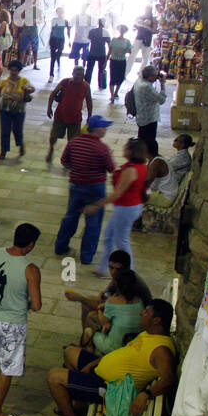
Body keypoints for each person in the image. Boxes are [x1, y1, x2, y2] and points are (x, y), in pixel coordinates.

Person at [47, 298, 177, 416]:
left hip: (109, 387)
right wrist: (94, 363)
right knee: (70, 352)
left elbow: (169, 378)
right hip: (98, 370)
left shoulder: (162, 350)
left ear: (156, 320)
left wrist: (146, 394)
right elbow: (122, 353)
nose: (141, 313)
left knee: (54, 377)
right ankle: (79, 405)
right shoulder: (148, 334)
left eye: (146, 312)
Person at [0, 223, 42, 416]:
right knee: (8, 366)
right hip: (13, 324)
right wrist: (21, 302)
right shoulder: (30, 269)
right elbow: (37, 304)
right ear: (30, 245)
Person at [53, 115, 116, 264]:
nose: (106, 129)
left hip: (76, 186)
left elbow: (64, 161)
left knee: (70, 217)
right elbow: (111, 168)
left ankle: (60, 246)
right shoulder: (102, 148)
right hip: (96, 189)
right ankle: (87, 257)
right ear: (96, 129)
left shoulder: (74, 142)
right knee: (93, 224)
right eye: (104, 127)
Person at [89, 138, 149, 277]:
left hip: (126, 208)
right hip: (129, 206)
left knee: (121, 241)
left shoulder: (131, 170)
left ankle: (130, 273)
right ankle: (103, 268)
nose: (124, 149)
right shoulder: (140, 166)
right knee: (109, 236)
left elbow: (117, 194)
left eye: (126, 147)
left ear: (131, 151)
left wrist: (97, 205)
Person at [62, 267, 145, 367]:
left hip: (114, 346)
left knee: (89, 331)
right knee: (93, 321)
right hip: (131, 343)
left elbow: (103, 321)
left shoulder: (114, 301)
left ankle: (85, 359)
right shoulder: (140, 301)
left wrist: (99, 309)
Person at [63, 249, 154, 334]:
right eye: (111, 268)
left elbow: (108, 307)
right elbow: (107, 295)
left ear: (126, 268)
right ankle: (85, 337)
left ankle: (88, 341)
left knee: (91, 315)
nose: (113, 272)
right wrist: (103, 295)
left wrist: (81, 298)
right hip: (123, 312)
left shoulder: (129, 283)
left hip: (130, 321)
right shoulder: (119, 277)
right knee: (89, 302)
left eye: (117, 269)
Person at [45, 65, 93, 164]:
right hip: (60, 115)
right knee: (54, 135)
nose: (79, 77)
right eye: (77, 74)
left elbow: (89, 101)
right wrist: (49, 108)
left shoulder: (86, 86)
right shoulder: (65, 82)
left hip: (76, 117)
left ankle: (70, 157)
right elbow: (53, 94)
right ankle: (51, 149)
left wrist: (89, 115)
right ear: (73, 74)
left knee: (73, 140)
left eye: (81, 75)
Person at [0, 59, 34, 160]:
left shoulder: (24, 81)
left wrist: (28, 90)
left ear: (19, 71)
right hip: (4, 109)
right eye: (11, 70)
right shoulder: (4, 81)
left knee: (17, 130)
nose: (13, 72)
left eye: (15, 70)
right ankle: (3, 151)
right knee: (5, 130)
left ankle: (20, 145)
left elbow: (32, 89)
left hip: (19, 110)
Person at [130, 66, 168, 156]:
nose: (157, 77)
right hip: (149, 118)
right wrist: (162, 84)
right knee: (150, 141)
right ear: (149, 76)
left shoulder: (139, 81)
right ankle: (151, 157)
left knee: (142, 139)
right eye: (155, 75)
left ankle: (140, 155)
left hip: (141, 115)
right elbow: (162, 100)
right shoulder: (146, 87)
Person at [107, 24, 131, 103]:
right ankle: (112, 95)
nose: (122, 31)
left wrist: (125, 51)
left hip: (122, 61)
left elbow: (130, 51)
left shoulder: (127, 41)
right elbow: (109, 51)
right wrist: (106, 60)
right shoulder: (114, 40)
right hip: (114, 60)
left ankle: (116, 92)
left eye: (123, 30)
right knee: (112, 77)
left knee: (120, 78)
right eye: (121, 30)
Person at [131, 5, 157, 74]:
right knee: (132, 55)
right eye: (146, 9)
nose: (147, 11)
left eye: (149, 9)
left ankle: (141, 72)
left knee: (145, 58)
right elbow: (134, 27)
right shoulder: (140, 17)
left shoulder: (153, 19)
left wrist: (146, 27)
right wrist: (136, 26)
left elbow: (154, 31)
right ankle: (126, 71)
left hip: (147, 40)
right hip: (138, 38)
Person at [85, 18, 109, 91]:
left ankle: (86, 83)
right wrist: (108, 57)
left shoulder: (92, 31)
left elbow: (88, 40)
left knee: (89, 70)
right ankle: (101, 84)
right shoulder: (105, 32)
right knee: (101, 70)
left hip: (92, 52)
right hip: (102, 53)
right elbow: (109, 44)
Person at [48, 6, 68, 79]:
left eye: (61, 12)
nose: (59, 13)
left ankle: (58, 65)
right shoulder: (54, 20)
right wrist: (50, 40)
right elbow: (52, 30)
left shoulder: (65, 21)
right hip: (54, 39)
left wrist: (69, 41)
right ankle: (51, 74)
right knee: (53, 56)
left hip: (61, 39)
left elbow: (68, 31)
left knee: (58, 54)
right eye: (58, 12)